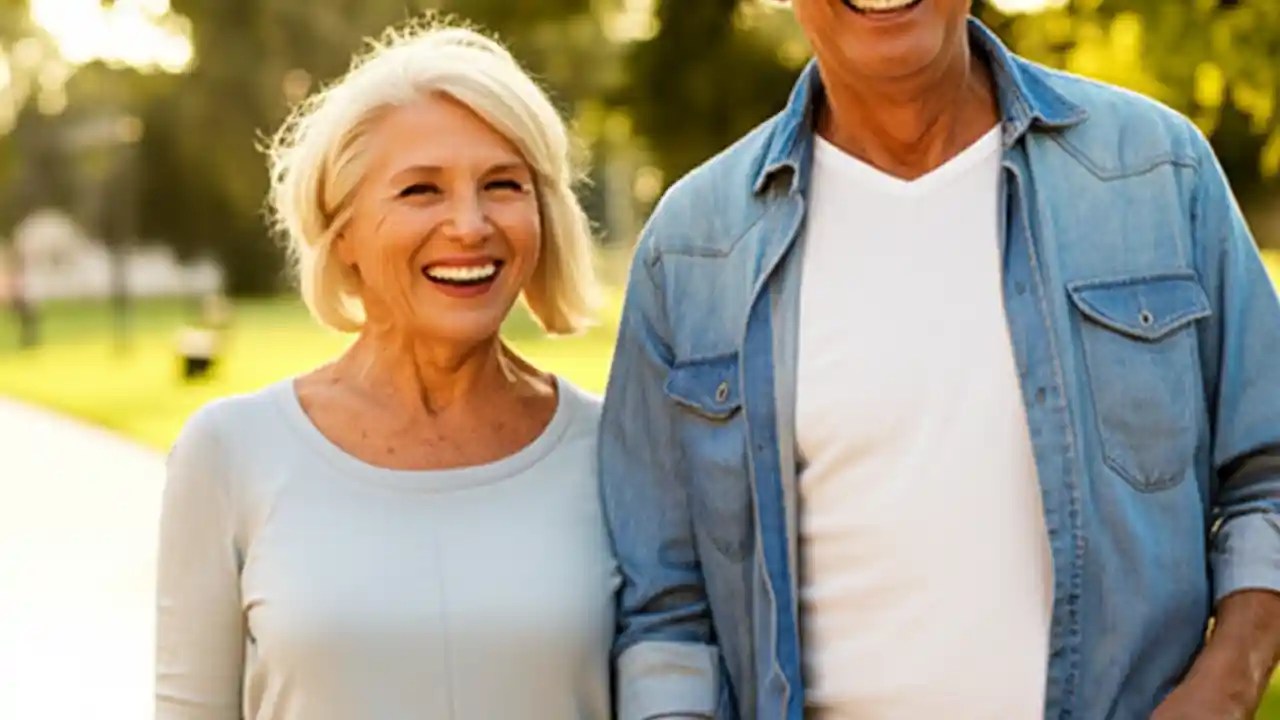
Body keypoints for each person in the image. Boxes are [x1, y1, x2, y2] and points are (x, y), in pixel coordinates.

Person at [600, 1, 1280, 718]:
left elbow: (1268, 474)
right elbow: (666, 609)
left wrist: (1226, 684)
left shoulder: (1153, 170)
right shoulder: (692, 249)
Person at [156, 19, 618, 720]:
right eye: (420, 191)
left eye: (502, 184)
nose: (470, 225)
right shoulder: (229, 452)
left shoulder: (617, 448)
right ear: (341, 234)